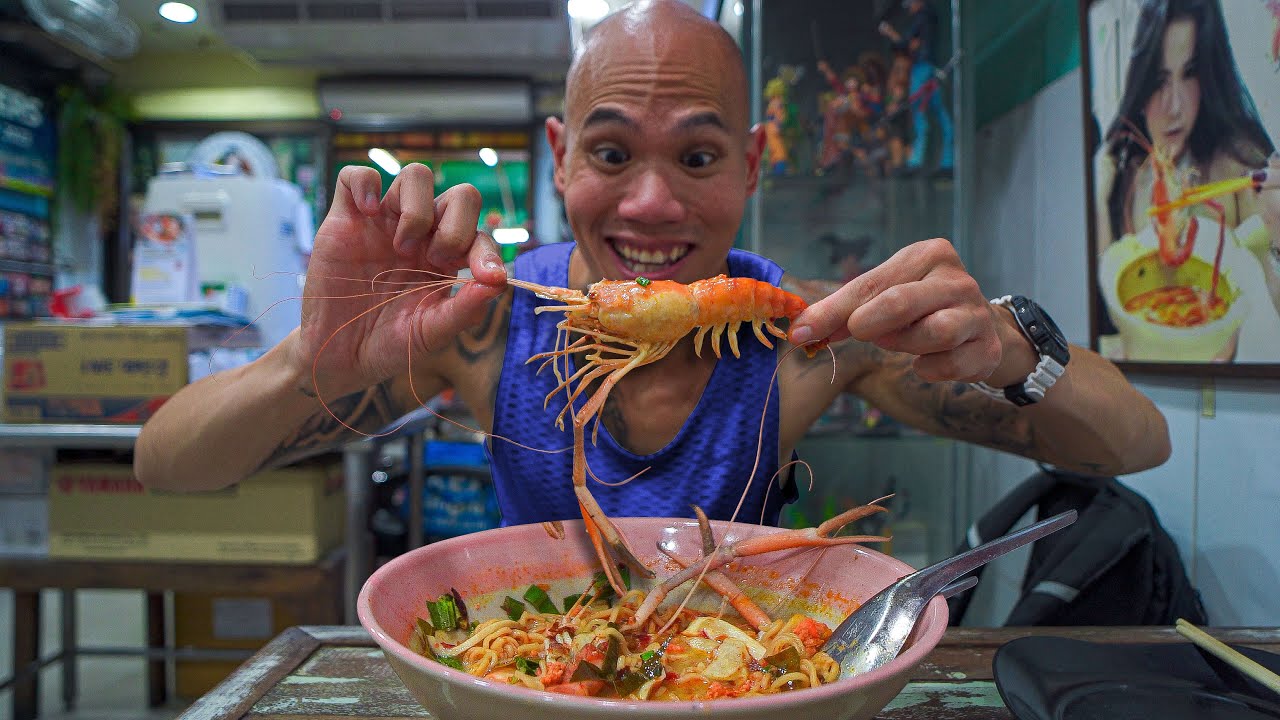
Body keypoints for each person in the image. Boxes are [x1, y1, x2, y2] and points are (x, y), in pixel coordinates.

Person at [134, 1, 1170, 531]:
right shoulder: (483, 326)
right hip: (525, 677)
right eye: (612, 152)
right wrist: (310, 360)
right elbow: (169, 468)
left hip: (733, 681)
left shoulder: (806, 337)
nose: (650, 204)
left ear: (753, 165)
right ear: (558, 156)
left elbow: (1134, 444)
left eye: (699, 156)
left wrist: (1006, 348)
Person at [1093, 0, 1280, 316]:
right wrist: (1099, 198)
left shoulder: (1238, 165)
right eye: (1158, 80)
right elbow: (1110, 309)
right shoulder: (1123, 174)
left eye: (1190, 73)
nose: (1174, 106)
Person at [878, 0, 953, 174]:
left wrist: (890, 33)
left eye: (910, 4)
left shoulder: (923, 17)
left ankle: (917, 160)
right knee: (939, 113)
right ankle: (948, 161)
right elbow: (908, 43)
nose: (909, 8)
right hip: (930, 66)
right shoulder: (928, 18)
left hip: (922, 67)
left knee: (918, 111)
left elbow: (905, 43)